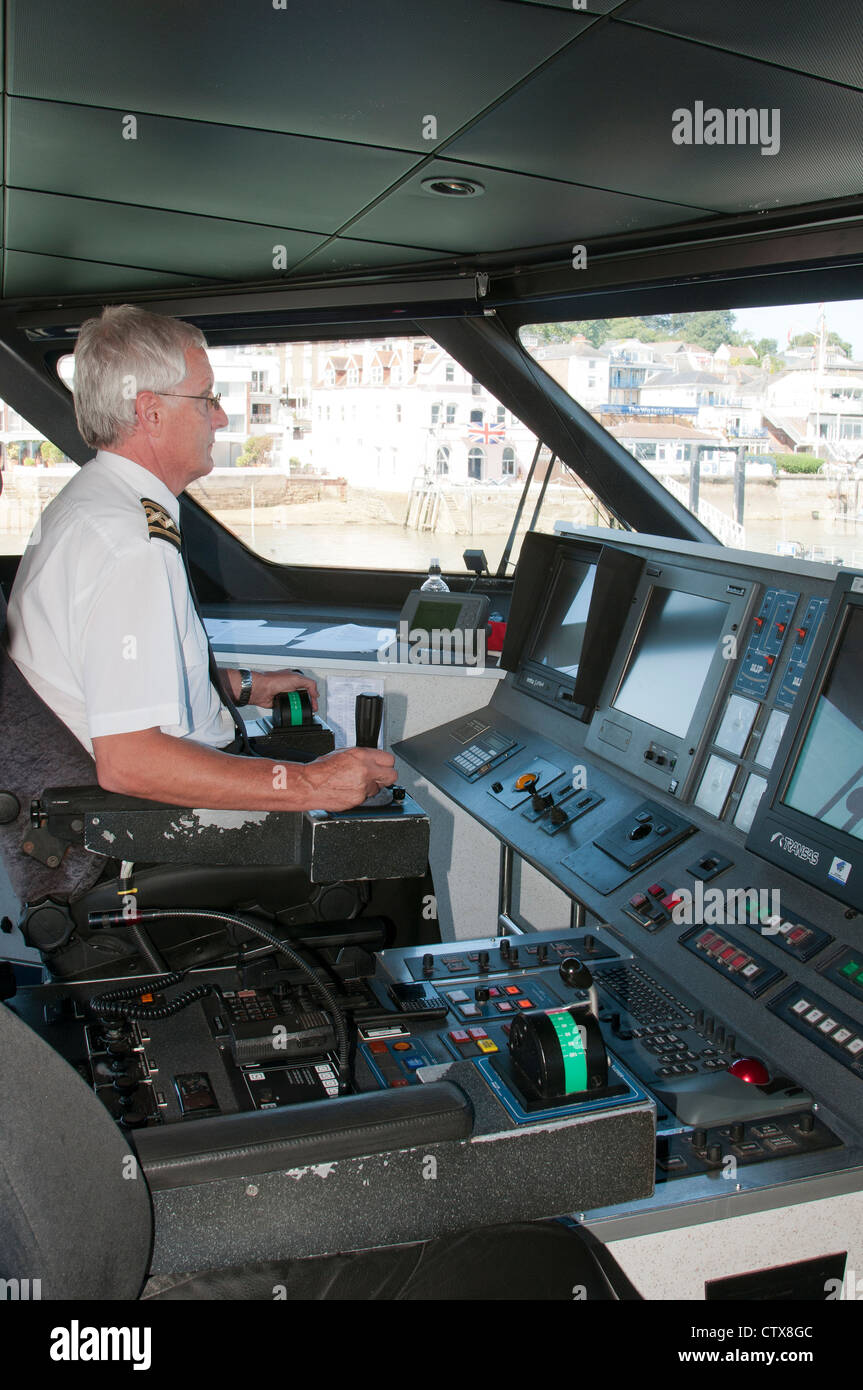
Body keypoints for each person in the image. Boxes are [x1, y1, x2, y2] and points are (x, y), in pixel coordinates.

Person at [5, 306, 395, 812]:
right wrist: (312, 787)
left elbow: (122, 677)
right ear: (151, 412)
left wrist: (248, 686)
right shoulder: (129, 544)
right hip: (155, 822)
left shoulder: (92, 502)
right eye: (207, 398)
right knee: (381, 840)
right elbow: (130, 761)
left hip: (159, 780)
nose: (220, 417)